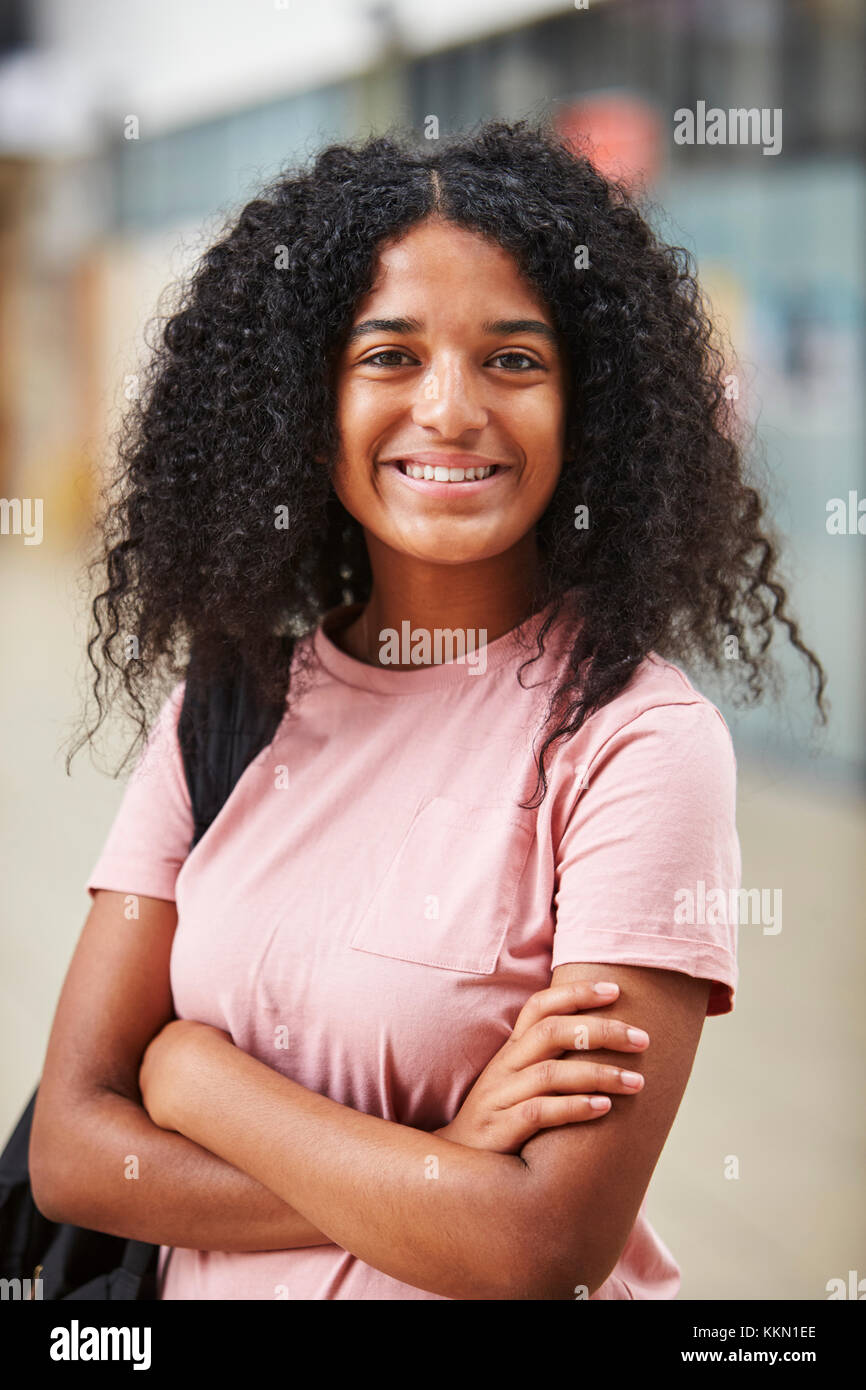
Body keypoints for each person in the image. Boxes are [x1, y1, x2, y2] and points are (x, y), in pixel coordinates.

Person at [31, 120, 826, 1300]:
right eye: (389, 355)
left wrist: (198, 1079)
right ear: (303, 400)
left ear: (589, 407)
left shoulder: (634, 744)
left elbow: (539, 1243)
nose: (449, 410)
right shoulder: (226, 712)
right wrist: (444, 1164)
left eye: (512, 359)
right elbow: (72, 1152)